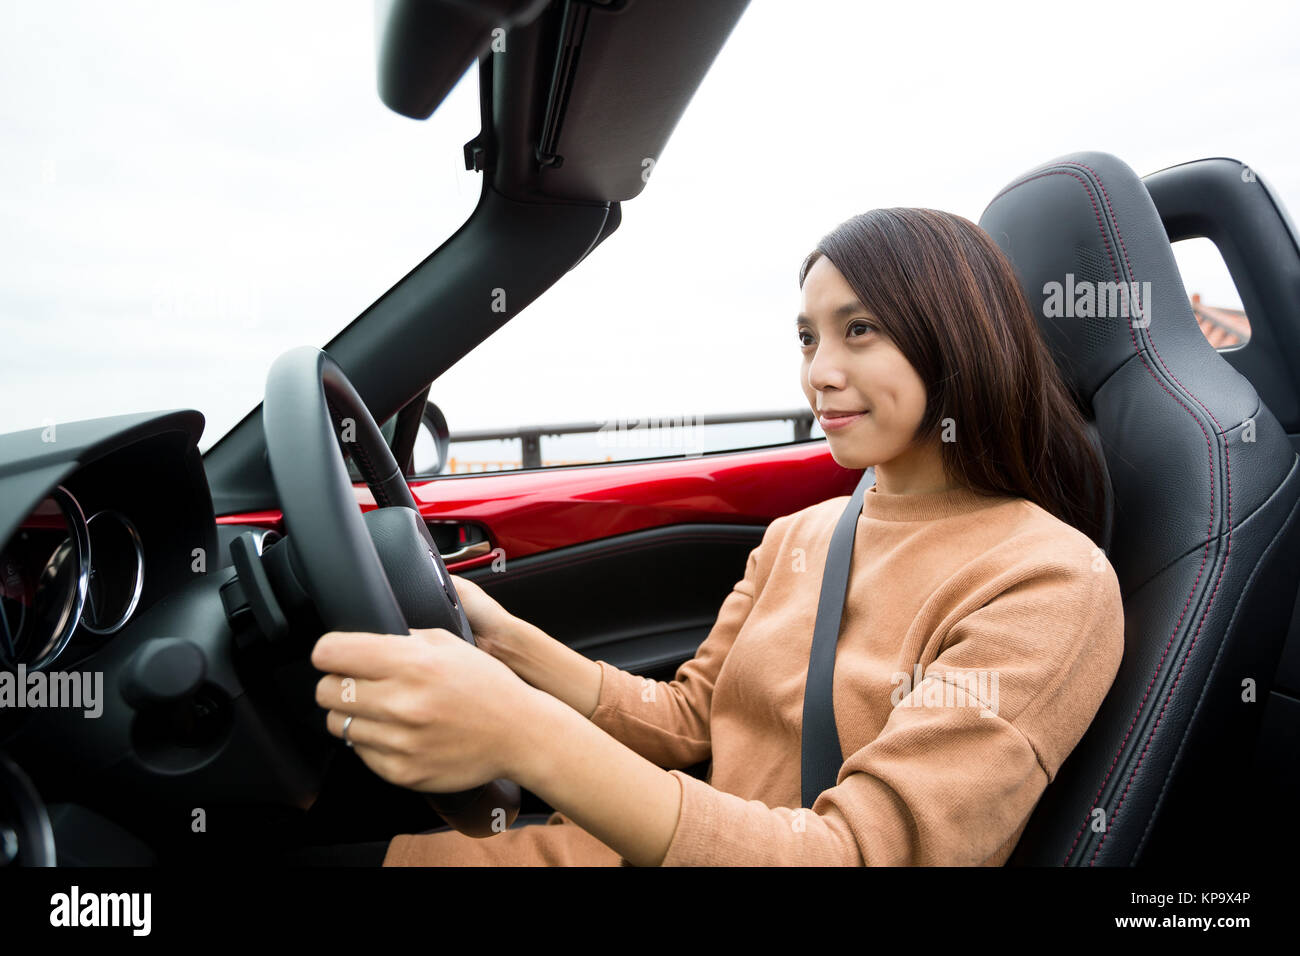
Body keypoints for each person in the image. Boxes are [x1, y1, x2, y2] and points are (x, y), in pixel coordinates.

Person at [299, 208, 1125, 866]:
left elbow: (858, 854)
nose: (819, 372)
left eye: (859, 329)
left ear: (955, 335)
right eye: (807, 337)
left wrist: (525, 733)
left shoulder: (1047, 581)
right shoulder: (802, 534)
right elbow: (691, 718)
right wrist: (506, 642)